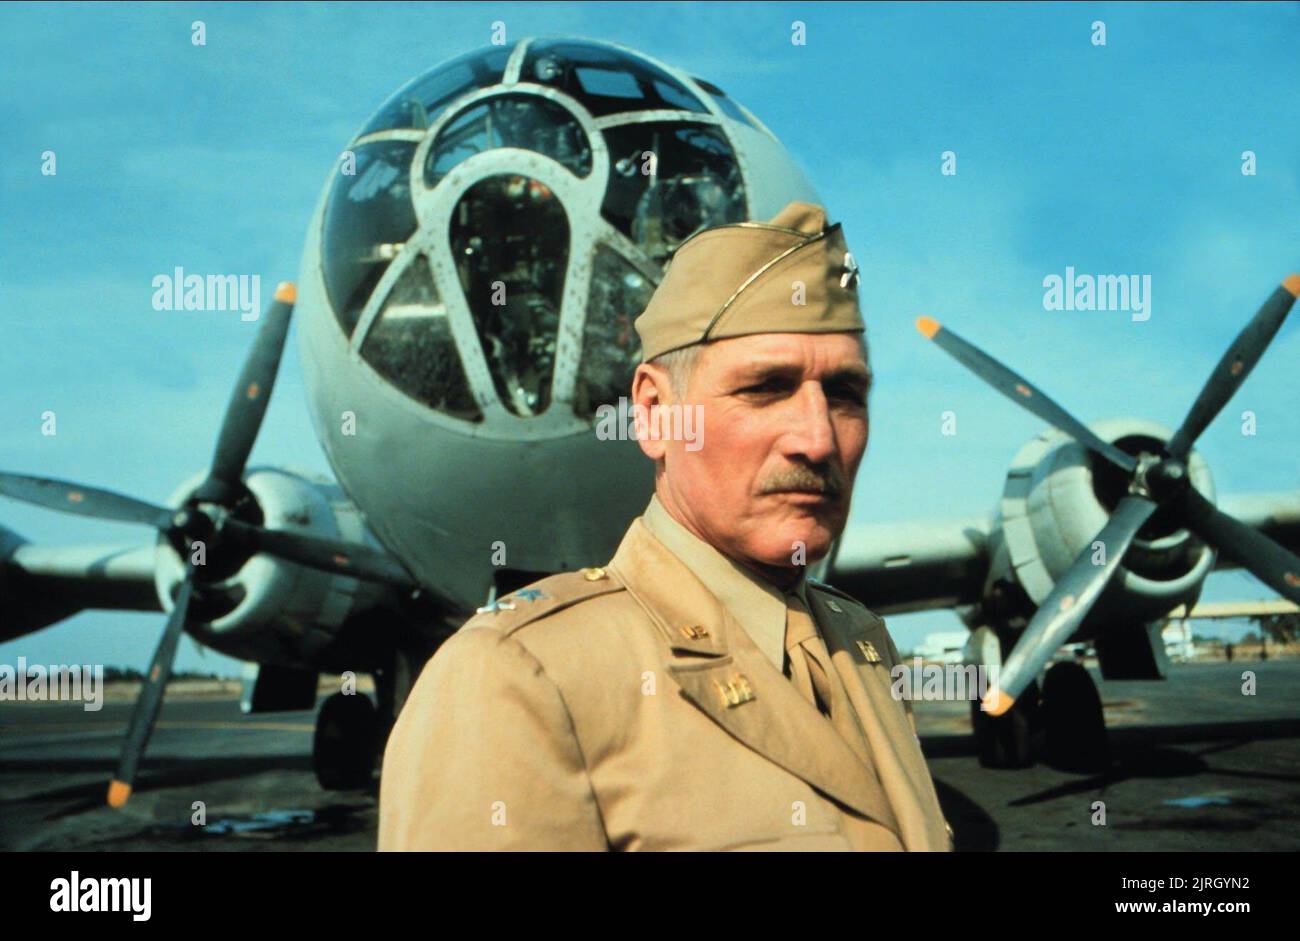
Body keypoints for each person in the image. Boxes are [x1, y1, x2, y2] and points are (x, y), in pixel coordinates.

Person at [378, 201, 953, 851]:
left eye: (845, 394)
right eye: (765, 387)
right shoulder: (515, 675)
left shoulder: (863, 643)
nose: (818, 440)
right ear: (654, 415)